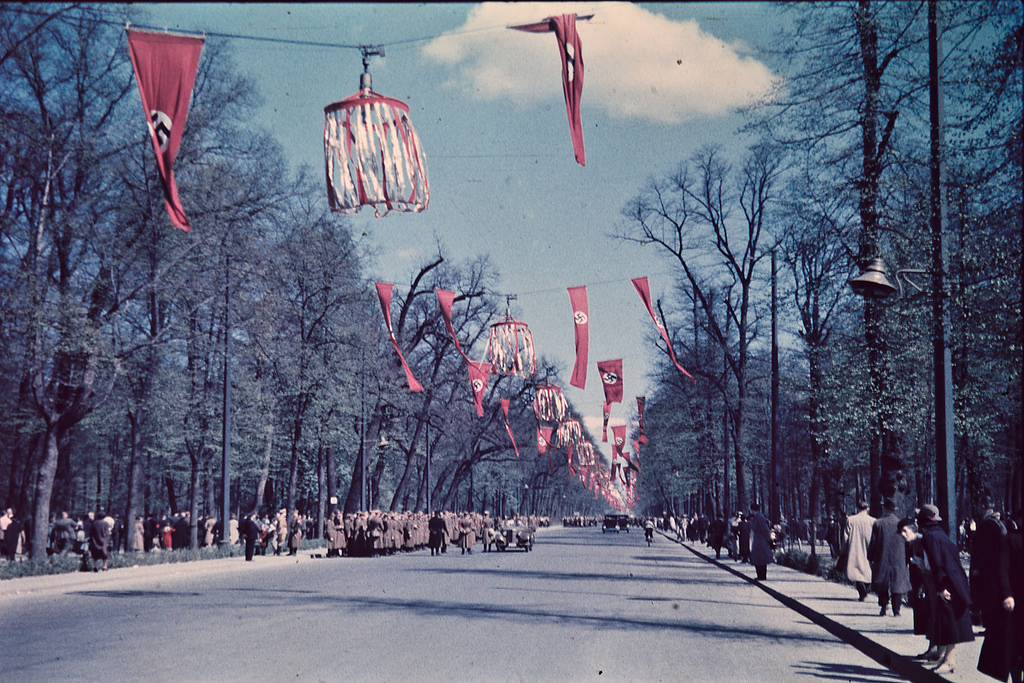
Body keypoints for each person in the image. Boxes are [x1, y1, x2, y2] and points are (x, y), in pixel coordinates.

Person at [919, 503, 973, 674]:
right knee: (947, 620)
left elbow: (937, 563)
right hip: (956, 580)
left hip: (948, 583)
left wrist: (940, 587)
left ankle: (949, 660)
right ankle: (944, 657)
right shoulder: (940, 534)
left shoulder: (929, 538)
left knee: (950, 621)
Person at [972, 498, 1016, 682]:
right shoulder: (1000, 525)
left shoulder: (986, 526)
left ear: (983, 506)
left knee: (997, 630)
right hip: (998, 583)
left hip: (990, 582)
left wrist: (977, 576)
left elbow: (984, 556)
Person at [868, 497, 911, 616]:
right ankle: (896, 610)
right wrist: (906, 558)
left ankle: (883, 606)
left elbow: (873, 543)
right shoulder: (902, 524)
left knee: (882, 581)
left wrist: (870, 557)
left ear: (884, 508)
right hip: (898, 558)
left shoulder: (878, 523)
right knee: (897, 583)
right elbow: (908, 543)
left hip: (882, 557)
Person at [844, 500, 876, 601]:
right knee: (867, 570)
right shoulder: (873, 521)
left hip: (855, 547)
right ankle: (865, 590)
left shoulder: (850, 520)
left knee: (856, 570)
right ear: (867, 509)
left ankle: (862, 593)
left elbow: (845, 537)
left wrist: (843, 549)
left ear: (858, 508)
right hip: (869, 547)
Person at [749, 503, 773, 581]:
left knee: (761, 559)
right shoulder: (757, 517)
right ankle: (760, 575)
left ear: (752, 509)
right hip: (758, 540)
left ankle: (762, 575)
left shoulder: (759, 517)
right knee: (758, 559)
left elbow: (765, 529)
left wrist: (768, 539)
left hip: (761, 540)